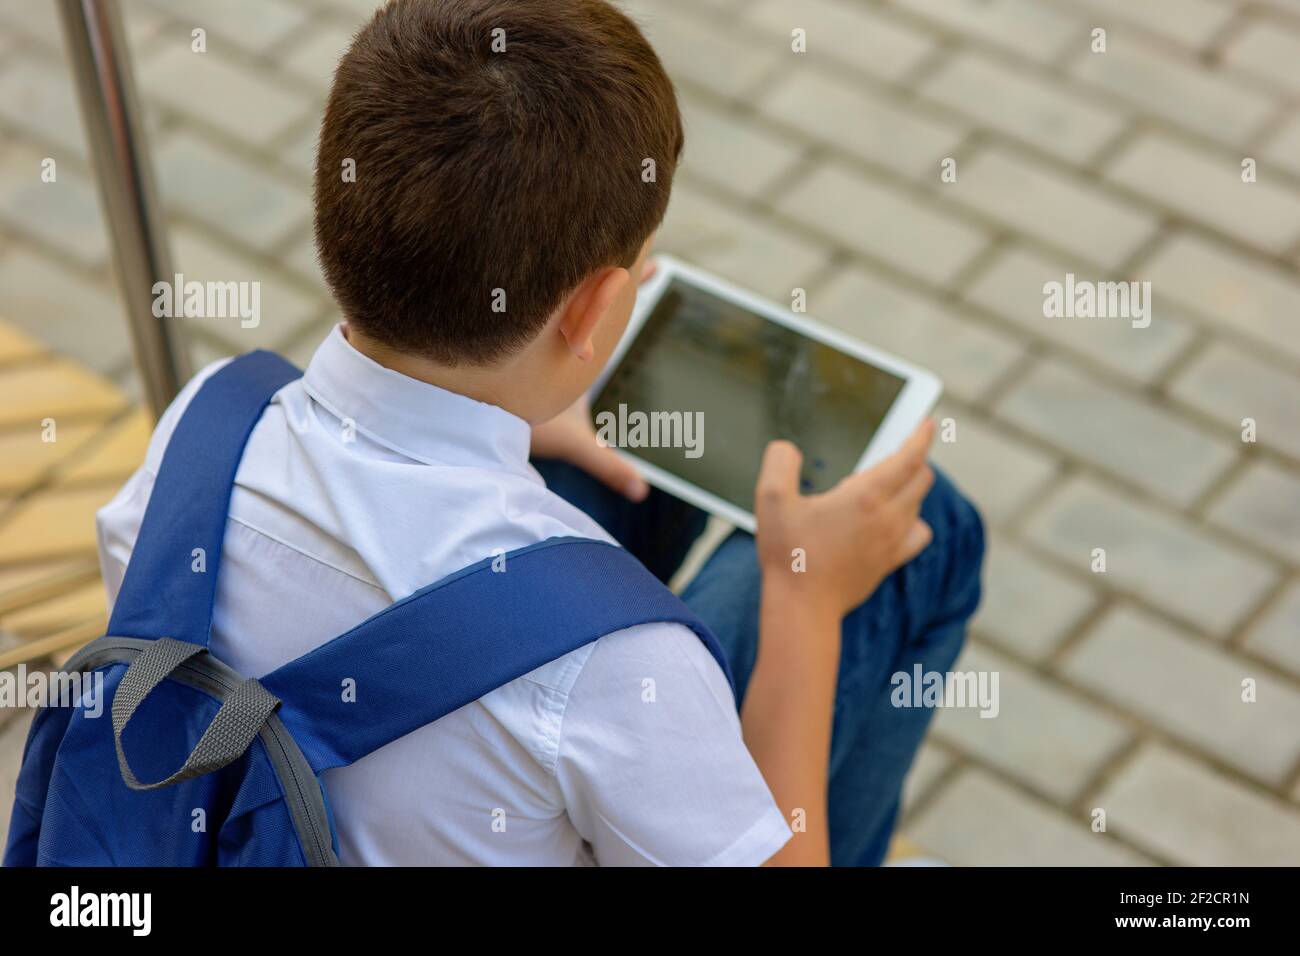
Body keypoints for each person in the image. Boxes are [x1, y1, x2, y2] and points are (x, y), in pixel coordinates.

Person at [98, 0, 983, 866]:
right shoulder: (621, 669)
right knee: (931, 526)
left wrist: (516, 418)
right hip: (563, 690)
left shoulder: (201, 429)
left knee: (623, 468)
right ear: (595, 309)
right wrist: (805, 602)